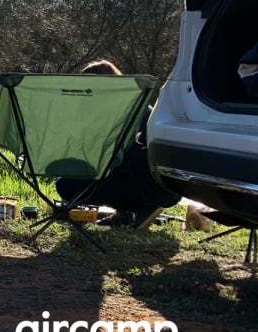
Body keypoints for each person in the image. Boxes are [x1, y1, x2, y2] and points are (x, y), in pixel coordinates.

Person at [54, 59, 180, 227]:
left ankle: (140, 208)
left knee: (66, 184)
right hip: (171, 187)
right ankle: (127, 213)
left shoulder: (113, 114)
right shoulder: (141, 107)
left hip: (148, 187)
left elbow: (102, 160)